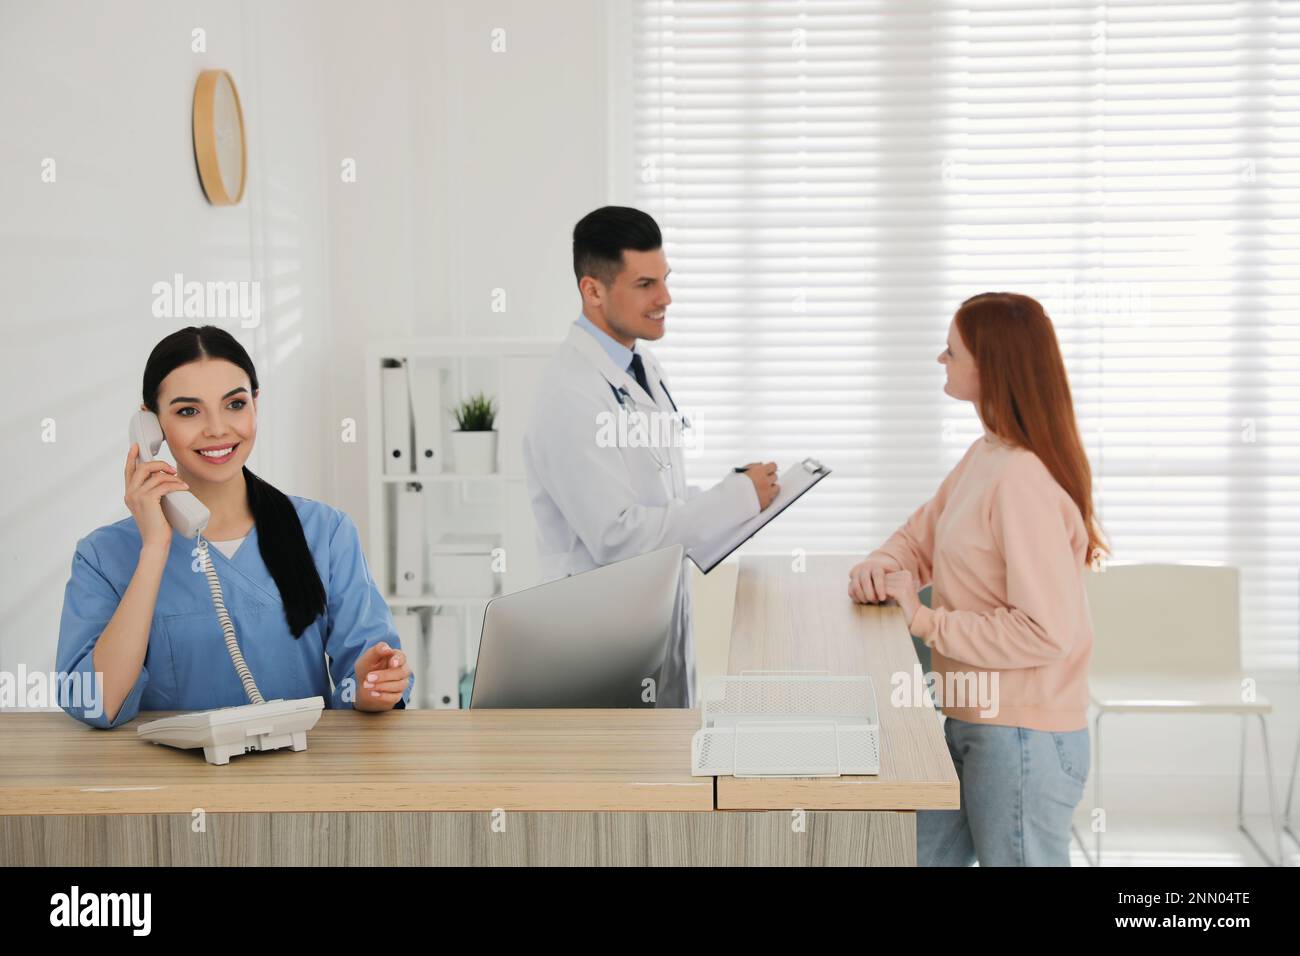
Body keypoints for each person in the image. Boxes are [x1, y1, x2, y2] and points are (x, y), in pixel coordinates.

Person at [849, 292, 1106, 866]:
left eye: (951, 351)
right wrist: (880, 564)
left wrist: (923, 620)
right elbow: (921, 538)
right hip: (973, 723)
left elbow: (1044, 631)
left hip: (1020, 738)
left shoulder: (1023, 480)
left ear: (990, 367)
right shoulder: (986, 455)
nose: (942, 360)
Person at [56, 325, 413, 729]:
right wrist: (155, 547)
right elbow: (95, 705)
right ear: (150, 426)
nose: (217, 429)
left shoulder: (325, 532)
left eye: (234, 404)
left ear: (255, 405)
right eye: (188, 411)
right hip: (167, 786)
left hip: (300, 780)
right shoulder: (104, 556)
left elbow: (368, 679)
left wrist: (372, 689)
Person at [522, 206, 779, 707]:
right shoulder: (569, 394)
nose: (665, 299)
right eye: (645, 284)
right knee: (618, 782)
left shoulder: (641, 366)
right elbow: (618, 539)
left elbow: (664, 501)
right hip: (599, 646)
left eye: (665, 279)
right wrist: (735, 500)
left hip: (652, 628)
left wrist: (746, 499)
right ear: (592, 290)